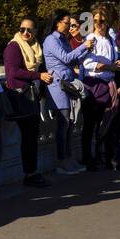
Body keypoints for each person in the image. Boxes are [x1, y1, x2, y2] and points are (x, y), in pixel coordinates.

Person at [2, 15, 51, 188]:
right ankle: (30, 173)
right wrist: (38, 76)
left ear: (35, 31)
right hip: (21, 96)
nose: (25, 32)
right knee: (29, 137)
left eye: (29, 30)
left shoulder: (36, 48)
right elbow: (13, 72)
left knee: (31, 136)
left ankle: (31, 171)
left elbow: (39, 68)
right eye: (22, 29)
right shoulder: (14, 47)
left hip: (32, 96)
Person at [42, 9, 94, 175]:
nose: (70, 26)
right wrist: (83, 47)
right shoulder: (51, 40)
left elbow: (73, 59)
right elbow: (65, 58)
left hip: (67, 84)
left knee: (70, 124)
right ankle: (61, 161)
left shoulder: (64, 39)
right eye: (67, 23)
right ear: (58, 23)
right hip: (58, 86)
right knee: (63, 123)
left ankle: (68, 159)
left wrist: (87, 49)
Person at [80, 7, 120, 172]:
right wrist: (110, 66)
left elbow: (115, 59)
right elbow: (88, 64)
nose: (98, 24)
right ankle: (89, 158)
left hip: (108, 84)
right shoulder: (91, 39)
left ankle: (106, 156)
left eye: (101, 21)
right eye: (95, 21)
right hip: (94, 84)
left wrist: (115, 66)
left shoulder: (110, 39)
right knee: (91, 124)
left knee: (108, 123)